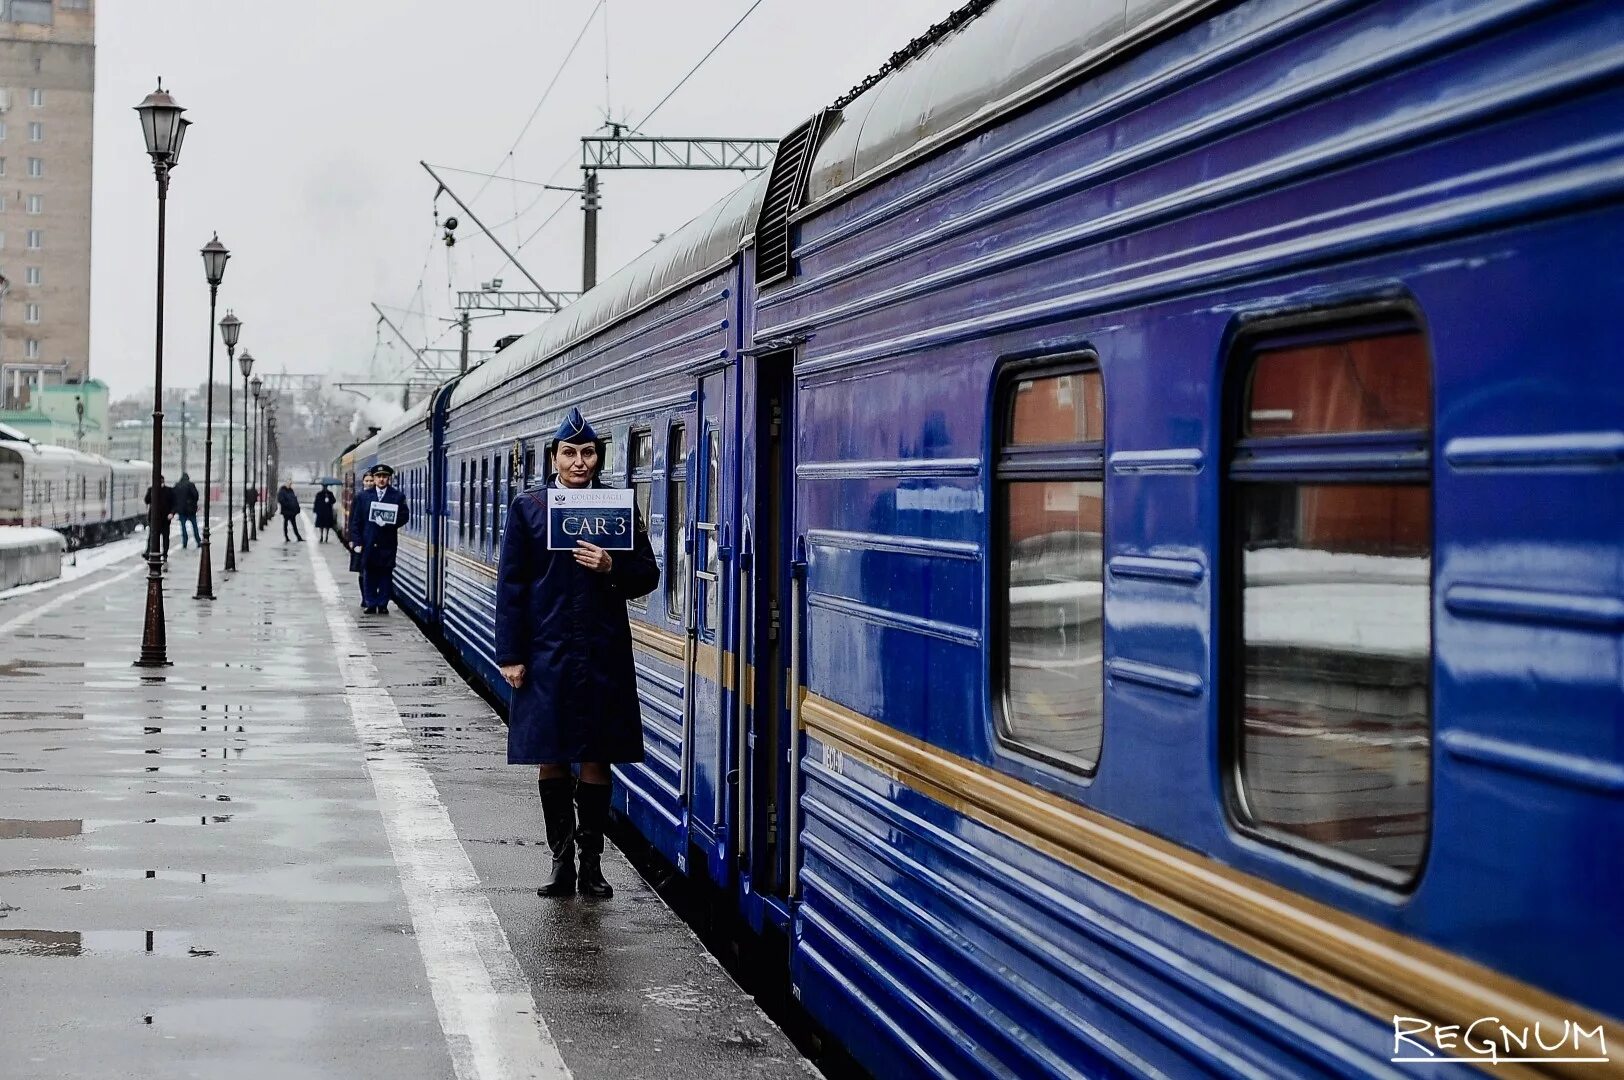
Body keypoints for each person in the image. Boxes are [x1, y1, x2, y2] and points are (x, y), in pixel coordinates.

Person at [495, 408, 660, 899]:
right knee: (552, 756)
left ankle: (592, 865)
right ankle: (560, 862)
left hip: (601, 652)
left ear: (597, 457)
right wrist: (510, 654)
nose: (579, 461)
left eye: (588, 453)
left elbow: (647, 574)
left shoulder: (617, 509)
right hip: (546, 652)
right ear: (554, 458)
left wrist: (613, 565)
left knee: (596, 757)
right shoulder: (528, 509)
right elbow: (513, 585)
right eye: (569, 453)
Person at [357, 464, 409, 614]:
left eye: (384, 477)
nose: (381, 479)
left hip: (387, 542)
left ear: (388, 479)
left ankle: (383, 603)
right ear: (373, 478)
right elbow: (356, 521)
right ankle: (370, 603)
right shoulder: (363, 497)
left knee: (386, 574)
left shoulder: (398, 496)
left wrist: (389, 523)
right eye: (378, 477)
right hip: (368, 541)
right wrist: (357, 540)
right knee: (369, 573)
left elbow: (404, 516)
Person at [348, 469, 376, 605]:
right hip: (361, 541)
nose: (369, 483)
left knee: (372, 570)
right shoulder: (358, 497)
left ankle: (370, 597)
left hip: (373, 540)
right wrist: (353, 539)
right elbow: (353, 519)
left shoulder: (377, 497)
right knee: (362, 571)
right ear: (363, 482)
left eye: (371, 481)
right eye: (367, 481)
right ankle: (365, 598)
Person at [143, 474, 174, 561]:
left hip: (165, 518)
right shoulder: (151, 489)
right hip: (154, 518)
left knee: (165, 538)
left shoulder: (169, 491)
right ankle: (149, 552)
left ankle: (165, 554)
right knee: (152, 537)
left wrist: (172, 513)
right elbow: (146, 500)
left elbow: (173, 503)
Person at [172, 472, 200, 549]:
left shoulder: (177, 485)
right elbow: (196, 495)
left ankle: (185, 542)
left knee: (183, 527)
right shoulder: (191, 485)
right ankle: (198, 541)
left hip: (181, 510)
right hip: (191, 510)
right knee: (194, 526)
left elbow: (173, 497)